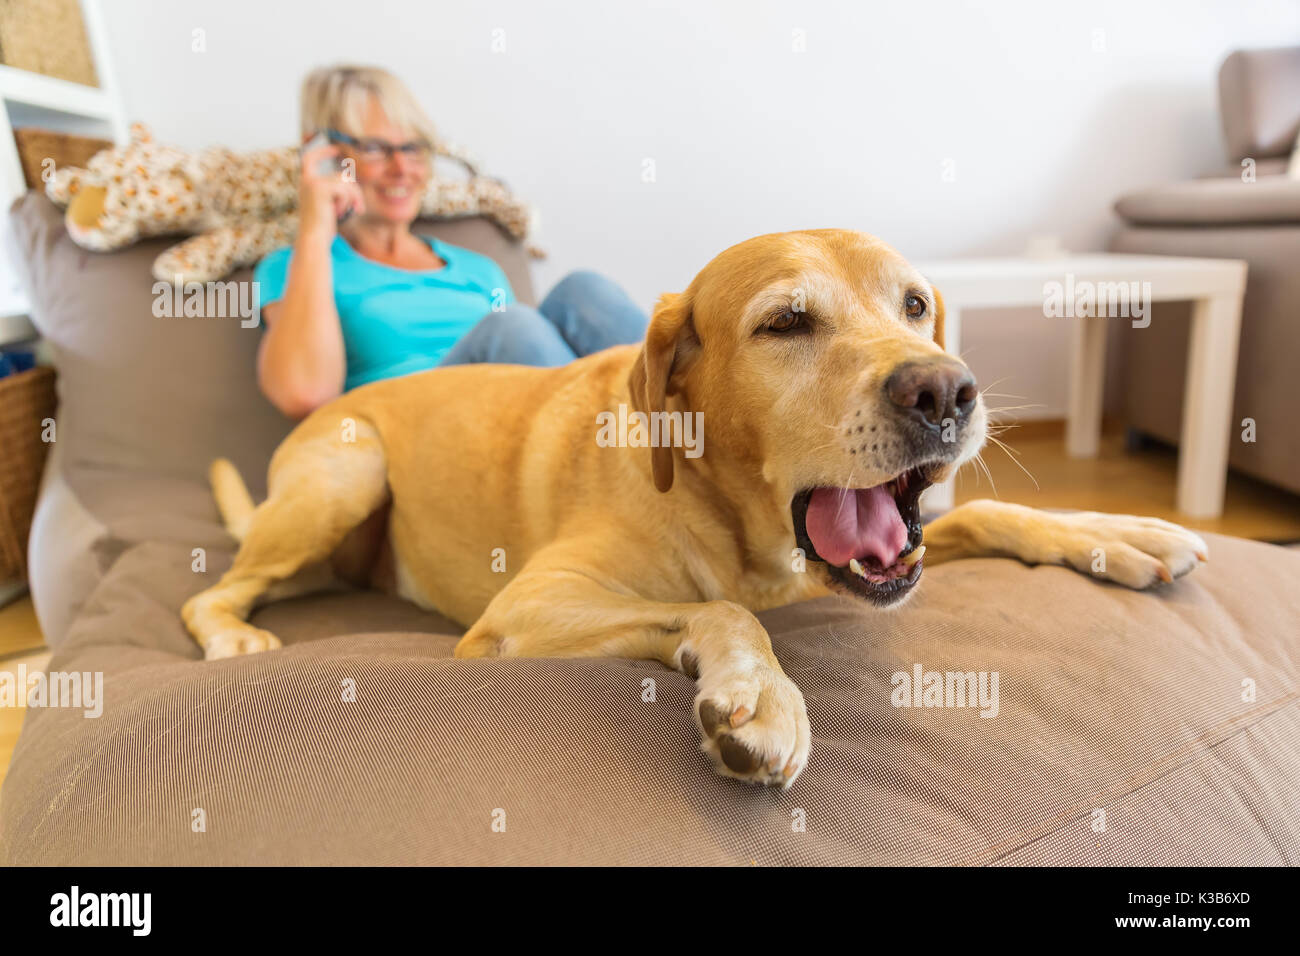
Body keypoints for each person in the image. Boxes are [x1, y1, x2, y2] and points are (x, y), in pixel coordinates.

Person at [254, 65, 647, 419]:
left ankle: (685, 440)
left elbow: (535, 366)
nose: (402, 169)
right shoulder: (297, 266)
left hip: (508, 437)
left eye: (413, 148)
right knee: (510, 328)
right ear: (323, 155)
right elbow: (305, 394)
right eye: (375, 148)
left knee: (583, 290)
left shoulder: (480, 267)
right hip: (418, 453)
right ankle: (622, 464)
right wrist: (313, 231)